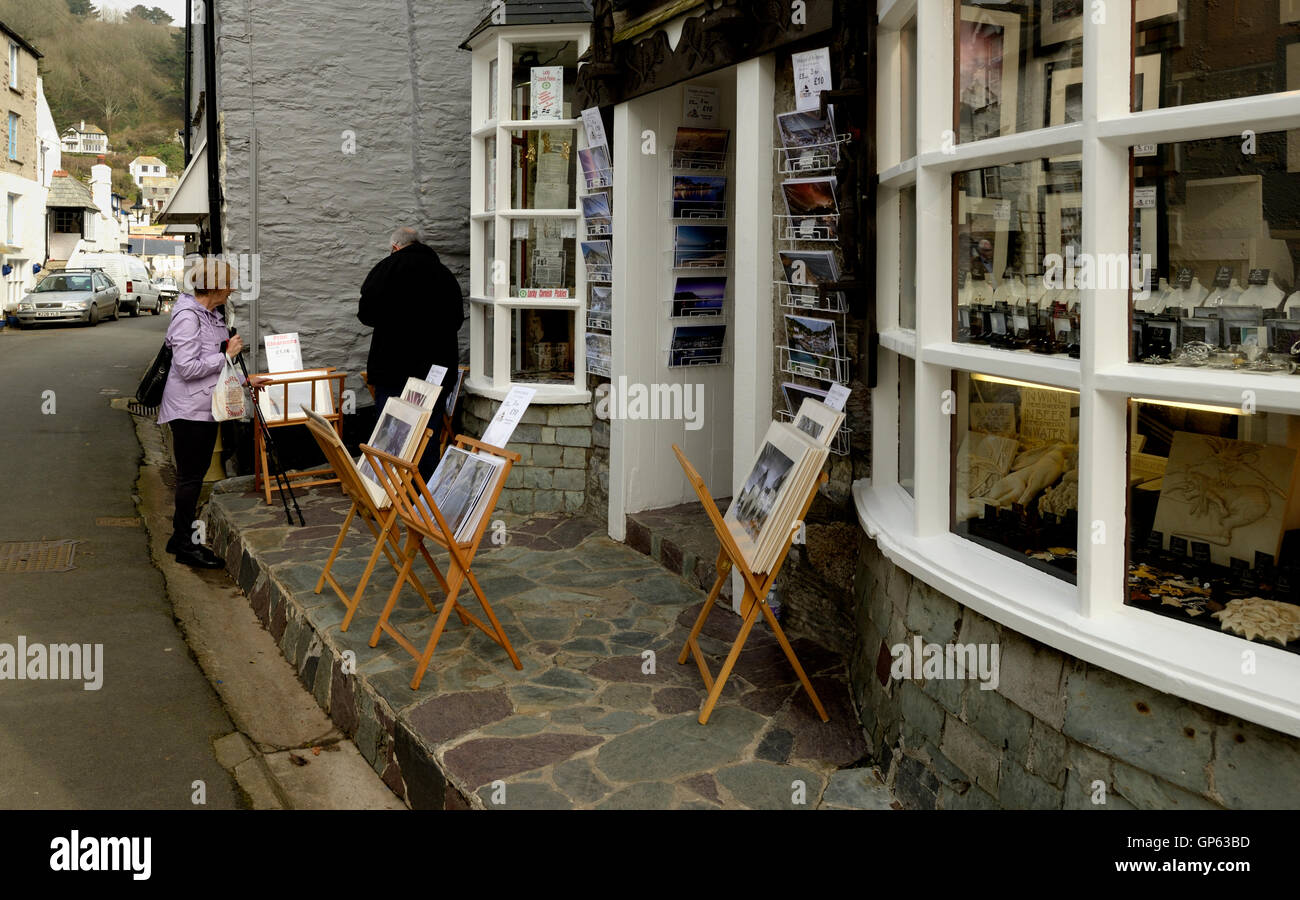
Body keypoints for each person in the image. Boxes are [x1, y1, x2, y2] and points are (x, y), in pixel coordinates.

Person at [158, 258, 265, 568]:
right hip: (188, 410)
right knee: (190, 479)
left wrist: (245, 379)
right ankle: (187, 547)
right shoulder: (188, 318)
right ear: (215, 286)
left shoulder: (212, 314)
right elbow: (187, 368)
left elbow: (216, 366)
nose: (232, 289)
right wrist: (226, 355)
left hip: (205, 407)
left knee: (194, 476)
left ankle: (179, 538)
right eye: (228, 283)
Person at [358, 226, 464, 422]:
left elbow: (366, 315)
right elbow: (456, 320)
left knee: (391, 435)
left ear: (395, 247)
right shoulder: (444, 273)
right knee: (427, 432)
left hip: (392, 367)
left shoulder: (385, 270)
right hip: (435, 370)